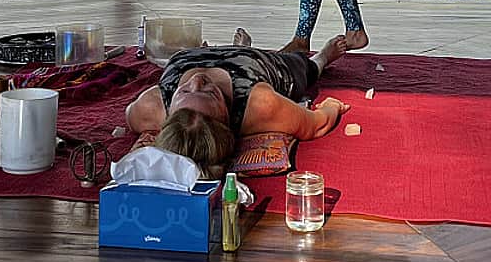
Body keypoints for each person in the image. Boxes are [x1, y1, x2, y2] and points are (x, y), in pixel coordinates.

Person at [124, 29, 361, 177]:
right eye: (209, 93)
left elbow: (127, 112)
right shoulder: (259, 105)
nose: (197, 80)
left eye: (184, 91)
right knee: (304, 68)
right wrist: (333, 105)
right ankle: (322, 57)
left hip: (190, 56)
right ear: (226, 116)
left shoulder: (150, 108)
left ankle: (239, 47)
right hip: (258, 64)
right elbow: (315, 124)